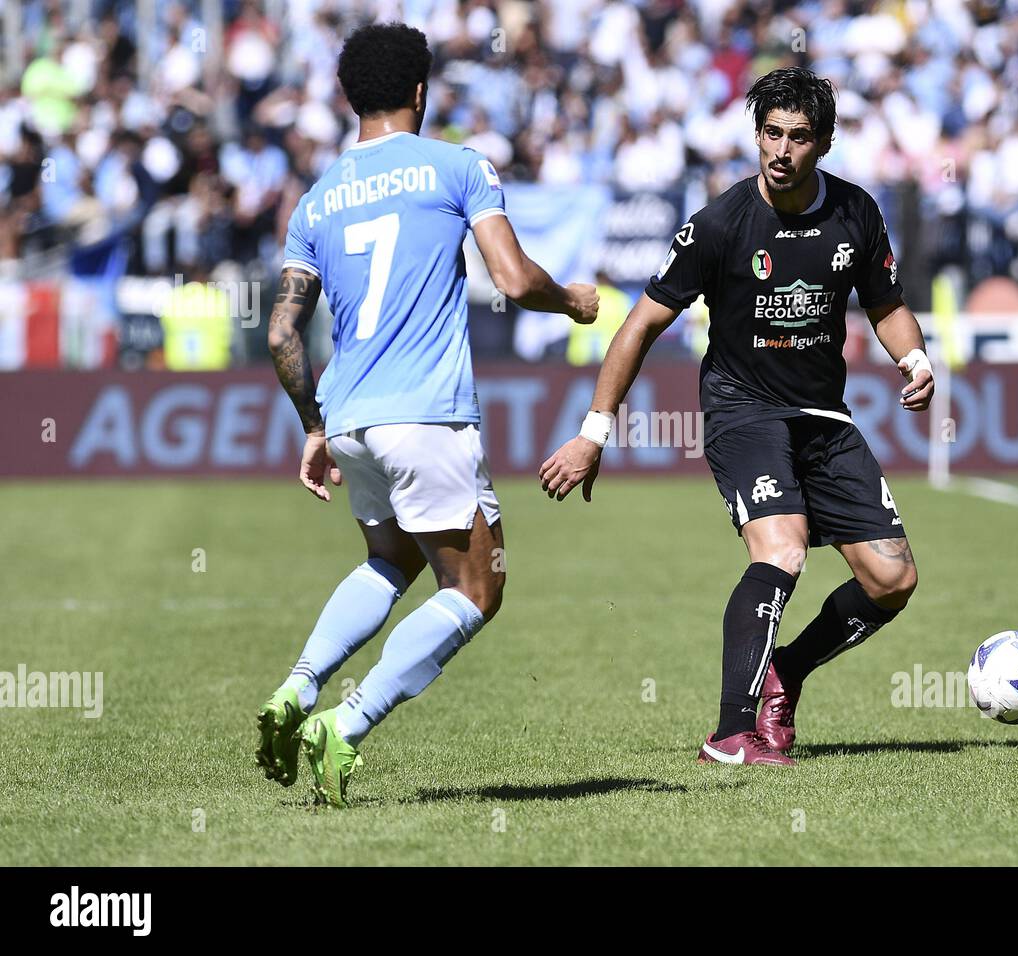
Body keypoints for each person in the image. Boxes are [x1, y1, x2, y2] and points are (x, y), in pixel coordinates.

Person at [540, 68, 933, 766]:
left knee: (892, 580)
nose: (781, 150)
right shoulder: (718, 225)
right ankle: (730, 731)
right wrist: (594, 433)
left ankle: (785, 672)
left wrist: (914, 361)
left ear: (825, 143)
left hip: (823, 414)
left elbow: (886, 305)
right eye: (771, 134)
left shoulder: (857, 214)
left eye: (799, 138)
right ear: (756, 135)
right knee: (781, 548)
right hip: (741, 408)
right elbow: (638, 328)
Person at [257, 23, 598, 806]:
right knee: (479, 589)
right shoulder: (457, 165)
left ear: (348, 99)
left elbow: (281, 332)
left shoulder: (316, 200)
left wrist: (314, 426)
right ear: (420, 91)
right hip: (426, 414)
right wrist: (573, 301)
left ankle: (297, 688)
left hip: (349, 412)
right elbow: (511, 279)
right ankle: (345, 723)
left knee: (393, 562)